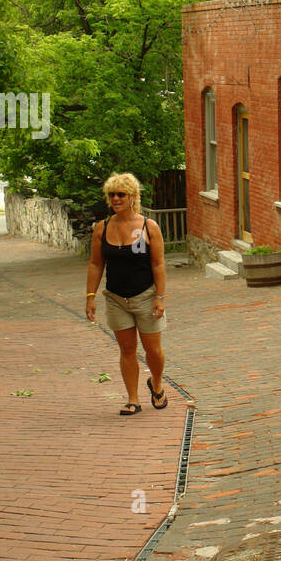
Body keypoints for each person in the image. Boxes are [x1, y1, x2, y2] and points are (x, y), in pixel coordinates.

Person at [84, 173, 168, 415]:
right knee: (127, 350)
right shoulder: (102, 228)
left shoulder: (148, 227)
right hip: (116, 298)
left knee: (153, 350)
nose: (116, 199)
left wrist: (159, 297)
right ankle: (133, 399)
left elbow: (158, 264)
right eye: (112, 195)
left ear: (132, 197)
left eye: (121, 194)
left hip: (146, 296)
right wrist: (91, 296)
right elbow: (95, 264)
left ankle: (157, 382)